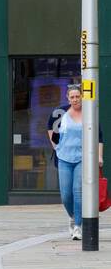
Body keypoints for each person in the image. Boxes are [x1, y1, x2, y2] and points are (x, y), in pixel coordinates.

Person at [51, 85, 104, 240]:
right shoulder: (61, 114)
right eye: (72, 97)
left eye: (77, 96)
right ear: (68, 98)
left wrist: (99, 156)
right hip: (64, 158)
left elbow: (99, 137)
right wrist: (57, 148)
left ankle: (78, 227)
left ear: (82, 96)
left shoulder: (89, 114)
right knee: (66, 194)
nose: (75, 99)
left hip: (82, 158)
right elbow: (52, 132)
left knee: (78, 192)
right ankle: (73, 217)